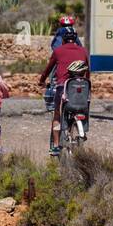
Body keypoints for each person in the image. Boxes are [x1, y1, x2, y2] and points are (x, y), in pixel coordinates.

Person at [38, 23, 90, 155]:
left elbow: (48, 69)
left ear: (63, 39)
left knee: (57, 115)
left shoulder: (58, 51)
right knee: (82, 109)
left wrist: (42, 81)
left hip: (64, 87)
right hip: (82, 88)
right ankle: (81, 130)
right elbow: (88, 71)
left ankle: (55, 146)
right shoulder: (83, 51)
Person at [44, 14, 77, 111]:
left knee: (54, 80)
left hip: (61, 61)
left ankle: (52, 105)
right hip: (76, 64)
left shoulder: (59, 33)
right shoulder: (74, 33)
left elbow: (55, 47)